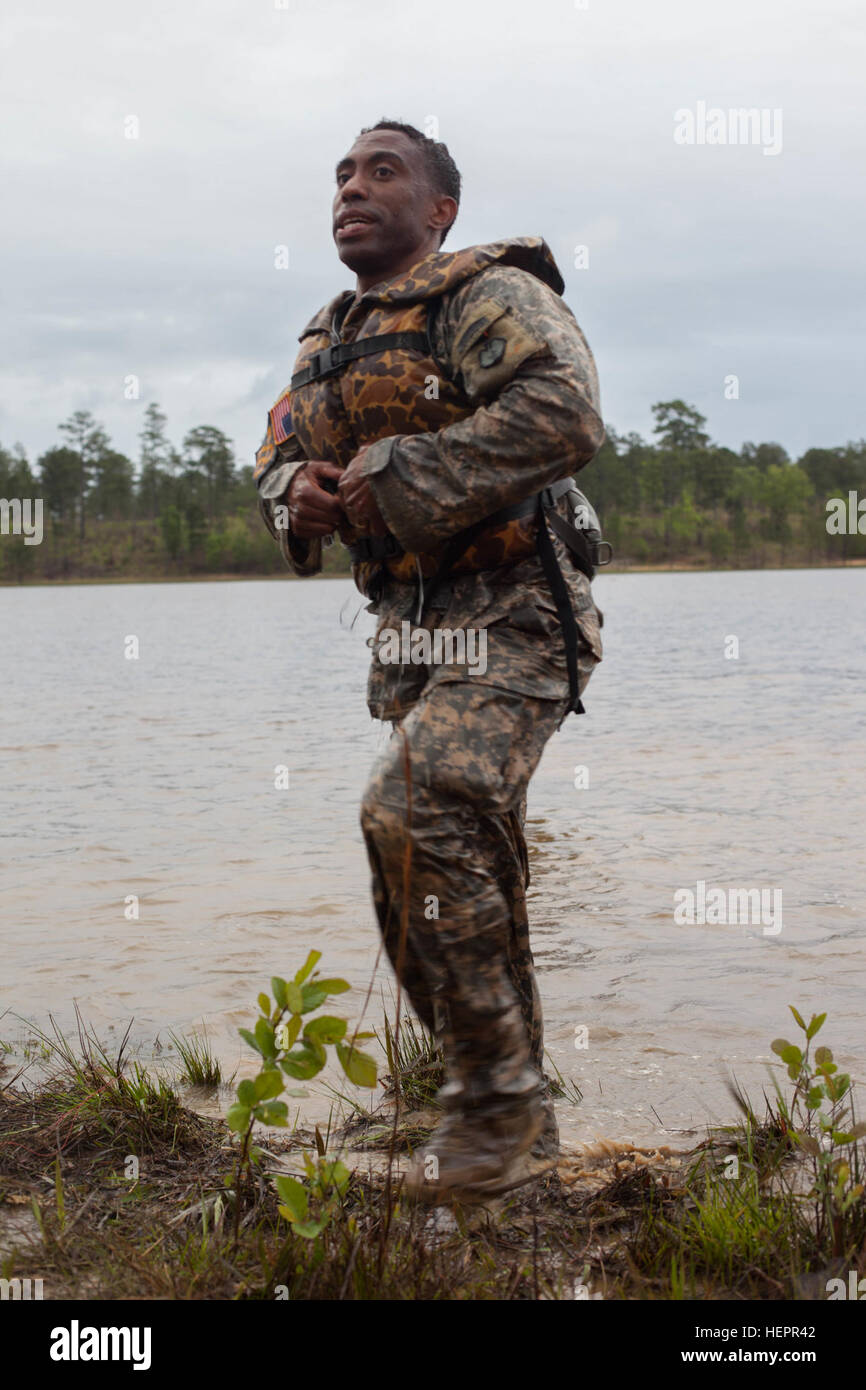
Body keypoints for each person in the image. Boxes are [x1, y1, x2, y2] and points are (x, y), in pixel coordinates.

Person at [255, 119, 605, 1202]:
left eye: (381, 172)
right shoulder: (327, 336)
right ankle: (515, 1129)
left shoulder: (485, 292)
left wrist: (402, 467)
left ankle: (490, 1106)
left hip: (521, 614)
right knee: (443, 854)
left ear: (438, 208)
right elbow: (272, 459)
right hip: (413, 637)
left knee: (415, 804)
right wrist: (296, 497)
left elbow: (564, 410)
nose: (351, 188)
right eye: (341, 175)